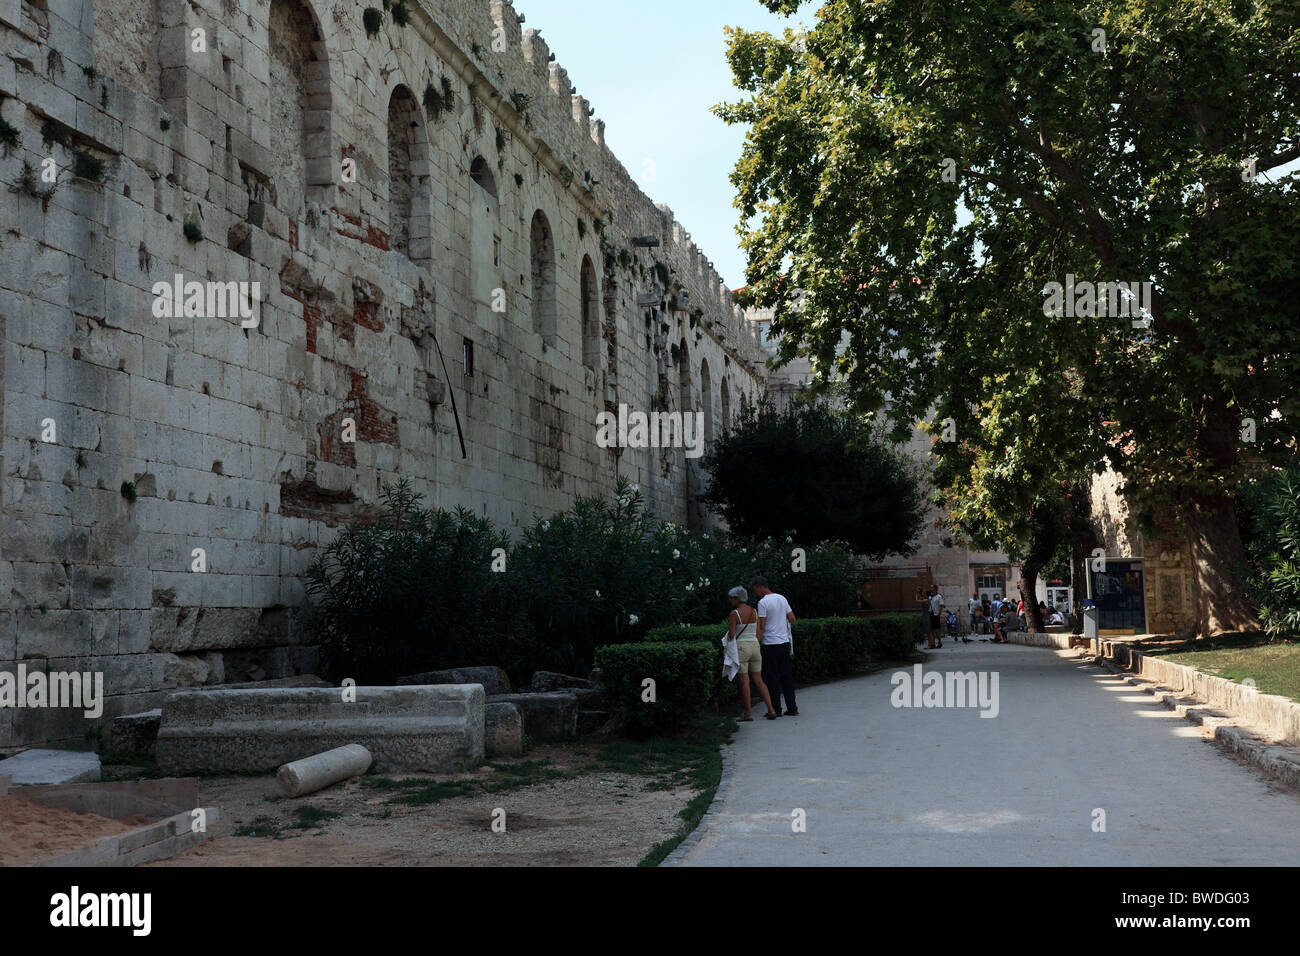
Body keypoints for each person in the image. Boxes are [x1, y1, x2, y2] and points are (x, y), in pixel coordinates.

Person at [726, 586, 776, 722]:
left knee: (745, 681)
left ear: (737, 598)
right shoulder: (754, 611)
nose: (730, 601)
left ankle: (748, 713)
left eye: (731, 598)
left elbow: (731, 635)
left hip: (742, 647)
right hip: (755, 646)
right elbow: (759, 631)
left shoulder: (734, 613)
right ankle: (771, 709)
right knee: (759, 680)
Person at [752, 576, 798, 718]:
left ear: (760, 587)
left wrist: (757, 641)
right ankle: (792, 708)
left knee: (772, 677)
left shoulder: (763, 603)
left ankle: (776, 709)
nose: (755, 592)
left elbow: (762, 625)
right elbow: (792, 618)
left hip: (770, 644)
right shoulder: (782, 598)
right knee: (787, 676)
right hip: (784, 643)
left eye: (755, 589)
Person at [928, 585, 945, 649]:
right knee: (932, 629)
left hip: (936, 614)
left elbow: (941, 606)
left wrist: (939, 614)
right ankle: (933, 643)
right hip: (931, 613)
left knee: (937, 629)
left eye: (932, 587)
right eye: (931, 587)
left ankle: (940, 642)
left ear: (935, 589)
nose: (930, 588)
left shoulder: (939, 596)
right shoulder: (930, 597)